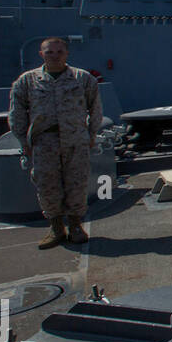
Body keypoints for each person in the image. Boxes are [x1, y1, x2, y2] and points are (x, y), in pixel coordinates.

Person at [9, 37, 102, 248]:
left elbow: (95, 108)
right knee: (47, 186)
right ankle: (56, 227)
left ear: (67, 54)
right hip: (44, 142)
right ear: (41, 54)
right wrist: (24, 140)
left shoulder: (83, 79)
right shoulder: (27, 81)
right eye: (50, 52)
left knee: (77, 184)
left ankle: (76, 226)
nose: (55, 55)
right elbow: (17, 113)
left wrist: (92, 134)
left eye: (59, 52)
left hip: (75, 140)